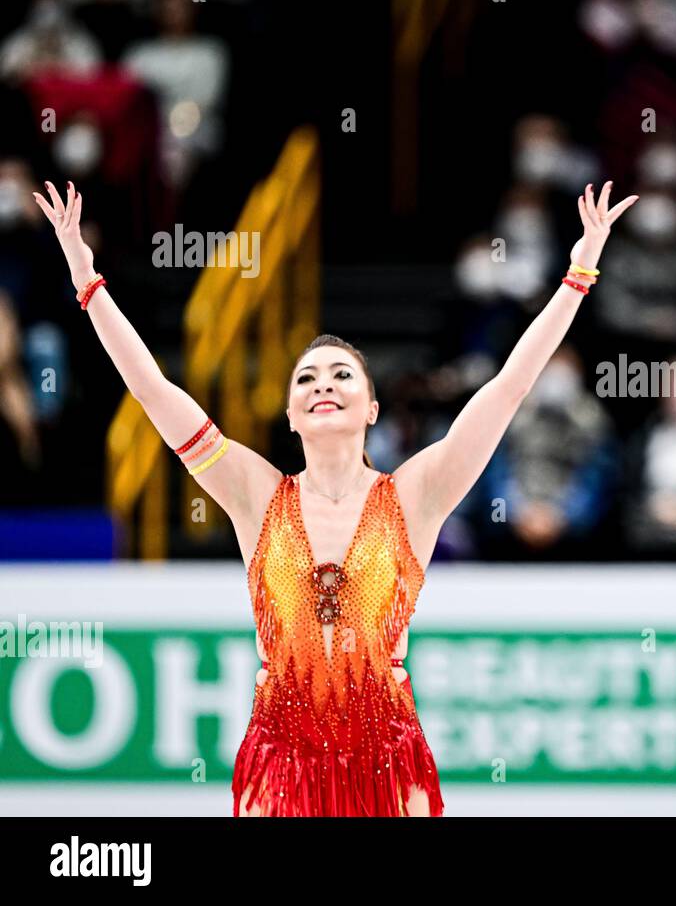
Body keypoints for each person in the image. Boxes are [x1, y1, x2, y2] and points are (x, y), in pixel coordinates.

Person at [34, 178, 637, 816]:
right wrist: (88, 282)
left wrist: (578, 273)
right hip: (280, 762)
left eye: (342, 374)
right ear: (291, 413)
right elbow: (154, 390)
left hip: (387, 761)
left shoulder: (417, 494)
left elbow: (509, 387)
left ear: (372, 407)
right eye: (307, 378)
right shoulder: (254, 493)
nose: (324, 384)